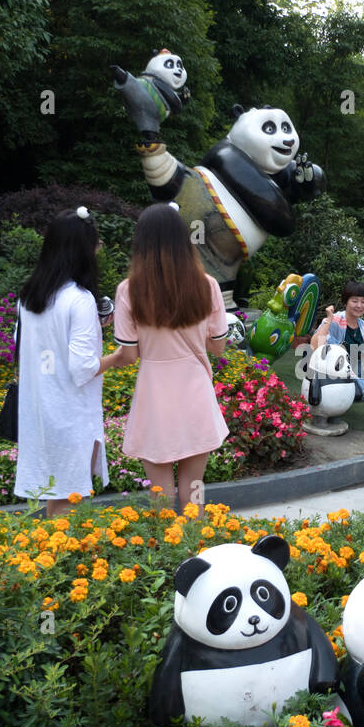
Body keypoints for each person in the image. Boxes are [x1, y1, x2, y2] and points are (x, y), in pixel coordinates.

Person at [105, 203, 229, 513]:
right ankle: (196, 539)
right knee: (195, 485)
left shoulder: (129, 290)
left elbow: (129, 353)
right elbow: (218, 347)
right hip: (196, 393)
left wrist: (97, 366)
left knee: (160, 492)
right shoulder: (208, 286)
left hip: (154, 397)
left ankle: (167, 551)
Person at [13, 207, 112, 517]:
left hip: (40, 410)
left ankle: (51, 558)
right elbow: (82, 368)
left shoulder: (28, 297)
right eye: (95, 244)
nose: (99, 249)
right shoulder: (78, 299)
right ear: (82, 250)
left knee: (56, 496)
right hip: (72, 413)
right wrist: (119, 357)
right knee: (68, 498)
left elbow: (25, 346)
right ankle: (59, 562)